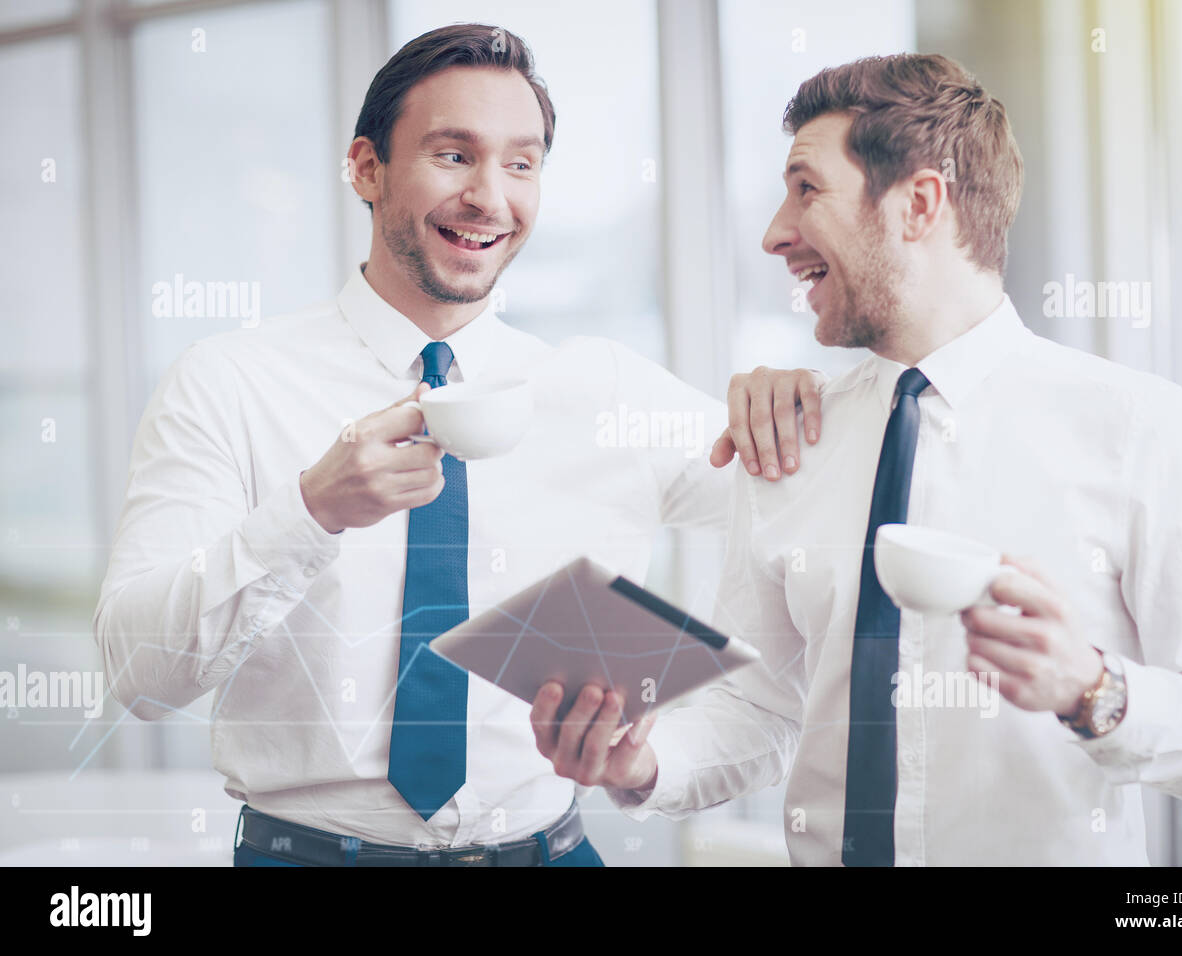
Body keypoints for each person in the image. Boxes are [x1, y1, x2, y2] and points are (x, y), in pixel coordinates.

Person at [530, 52, 1182, 865]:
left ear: (920, 203)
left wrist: (1093, 690)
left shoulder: (1142, 428)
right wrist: (646, 763)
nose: (774, 233)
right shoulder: (789, 437)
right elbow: (761, 709)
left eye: (806, 189)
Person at [92, 23, 818, 868]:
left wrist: (801, 400)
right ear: (366, 167)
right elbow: (139, 677)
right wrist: (309, 513)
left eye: (521, 163)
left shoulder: (609, 394)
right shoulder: (228, 382)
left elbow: (816, 510)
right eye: (453, 155)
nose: (490, 198)